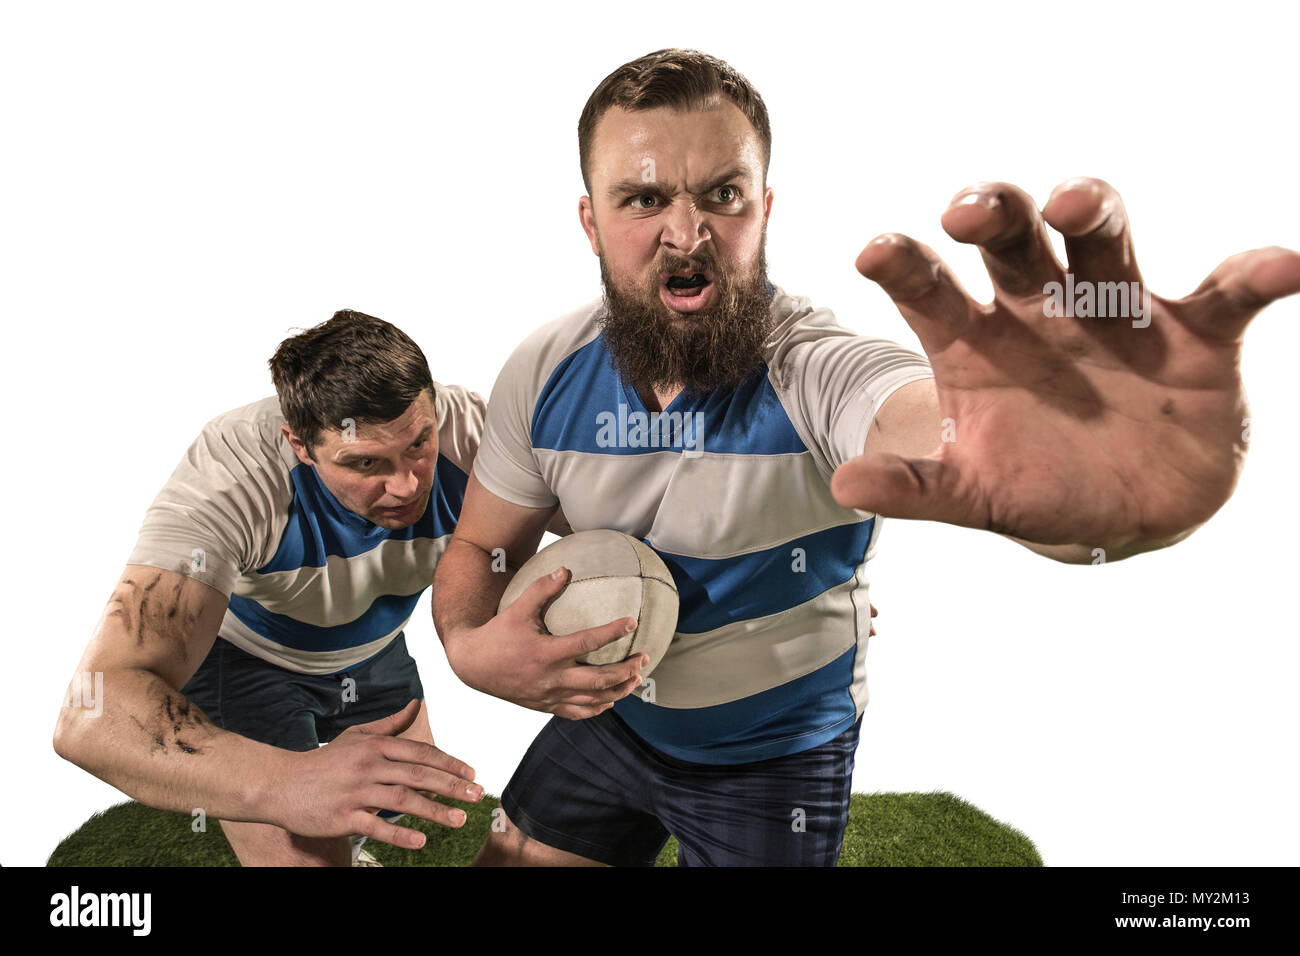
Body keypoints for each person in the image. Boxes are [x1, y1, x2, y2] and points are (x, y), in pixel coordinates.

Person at [432, 48, 1300, 866]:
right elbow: (484, 547)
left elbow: (911, 417)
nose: (687, 234)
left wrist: (1083, 492)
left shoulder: (816, 366)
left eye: (723, 194)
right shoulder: (543, 372)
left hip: (774, 758)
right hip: (611, 718)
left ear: (766, 207)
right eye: (643, 200)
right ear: (590, 220)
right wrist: (471, 647)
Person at [52, 309, 540, 866]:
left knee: (406, 793)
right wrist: (286, 782)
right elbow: (90, 714)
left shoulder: (476, 433)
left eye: (417, 445)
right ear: (300, 444)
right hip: (246, 656)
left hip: (374, 646)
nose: (407, 484)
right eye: (364, 463)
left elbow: (614, 520)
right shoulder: (232, 475)